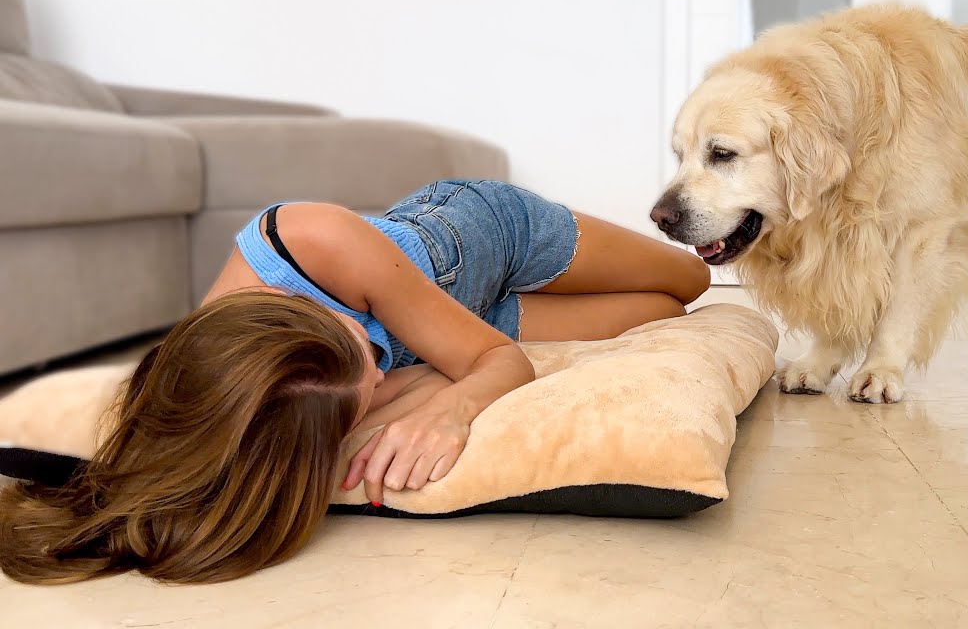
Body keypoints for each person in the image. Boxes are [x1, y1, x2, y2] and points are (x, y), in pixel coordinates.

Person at [0, 180, 710, 584]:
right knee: (659, 314)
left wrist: (453, 404)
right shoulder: (236, 396)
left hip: (484, 237)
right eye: (373, 378)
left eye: (361, 348)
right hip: (471, 316)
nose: (383, 368)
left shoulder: (310, 240)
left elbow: (500, 365)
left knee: (694, 278)